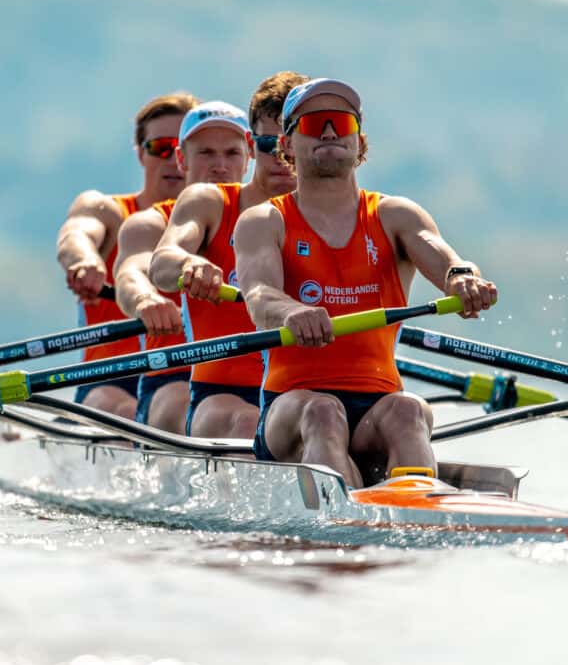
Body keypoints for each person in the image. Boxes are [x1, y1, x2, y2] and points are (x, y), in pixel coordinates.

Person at [233, 78, 498, 486]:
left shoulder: (395, 216)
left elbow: (445, 257)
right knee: (322, 412)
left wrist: (462, 280)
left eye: (340, 122)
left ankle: (412, 513)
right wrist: (292, 311)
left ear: (360, 143)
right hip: (292, 406)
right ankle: (351, 519)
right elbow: (258, 295)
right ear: (286, 145)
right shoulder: (264, 221)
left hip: (379, 407)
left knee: (409, 410)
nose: (328, 132)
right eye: (314, 123)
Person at [149, 71, 308, 438]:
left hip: (309, 395)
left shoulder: (337, 217)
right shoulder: (210, 202)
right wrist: (190, 264)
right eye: (271, 144)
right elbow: (162, 263)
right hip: (224, 397)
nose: (283, 156)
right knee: (253, 422)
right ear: (252, 147)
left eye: (294, 143)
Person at [54, 92, 197, 419]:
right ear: (139, 154)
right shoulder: (110, 211)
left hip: (197, 377)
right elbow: (77, 233)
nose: (172, 161)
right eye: (160, 148)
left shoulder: (223, 221)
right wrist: (85, 261)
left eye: (181, 149)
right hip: (114, 380)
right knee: (118, 407)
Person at [112, 101, 252, 432]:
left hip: (267, 379)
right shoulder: (151, 223)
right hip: (175, 375)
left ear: (249, 159)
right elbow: (131, 272)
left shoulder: (275, 220)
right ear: (182, 159)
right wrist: (146, 299)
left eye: (231, 153)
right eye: (206, 153)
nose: (219, 166)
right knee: (191, 405)